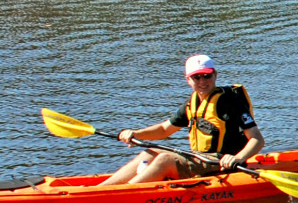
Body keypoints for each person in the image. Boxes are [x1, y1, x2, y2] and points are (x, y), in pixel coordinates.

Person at [98, 54, 265, 186]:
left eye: (207, 76)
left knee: (165, 160)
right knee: (151, 151)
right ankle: (101, 190)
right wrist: (135, 133)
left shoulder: (230, 101)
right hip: (201, 159)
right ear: (188, 79)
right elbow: (164, 130)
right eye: (196, 77)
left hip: (221, 162)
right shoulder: (192, 103)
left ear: (215, 75)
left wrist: (238, 158)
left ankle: (127, 192)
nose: (202, 82)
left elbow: (257, 139)